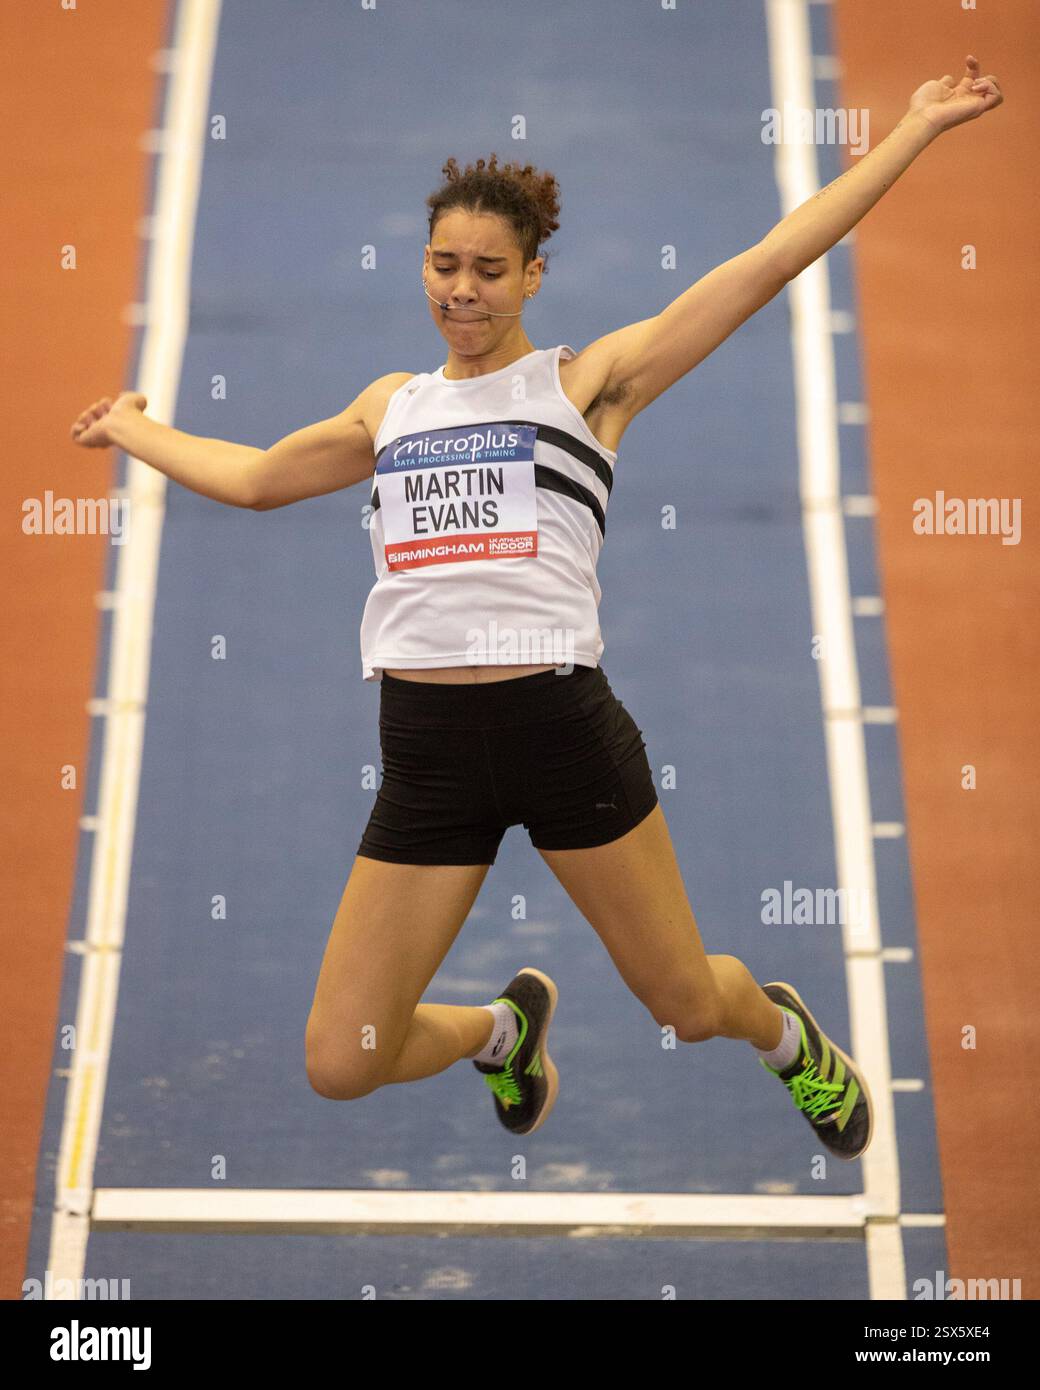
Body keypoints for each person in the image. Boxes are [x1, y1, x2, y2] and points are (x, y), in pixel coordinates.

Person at [71, 59, 1002, 1151]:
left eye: (488, 271)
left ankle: (785, 1037)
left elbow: (770, 261)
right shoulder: (391, 407)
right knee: (340, 1059)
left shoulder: (588, 384)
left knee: (688, 1006)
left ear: (533, 277)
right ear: (420, 264)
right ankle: (498, 1033)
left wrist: (913, 129)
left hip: (561, 733)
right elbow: (258, 477)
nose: (461, 290)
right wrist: (132, 427)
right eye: (442, 265)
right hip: (424, 753)